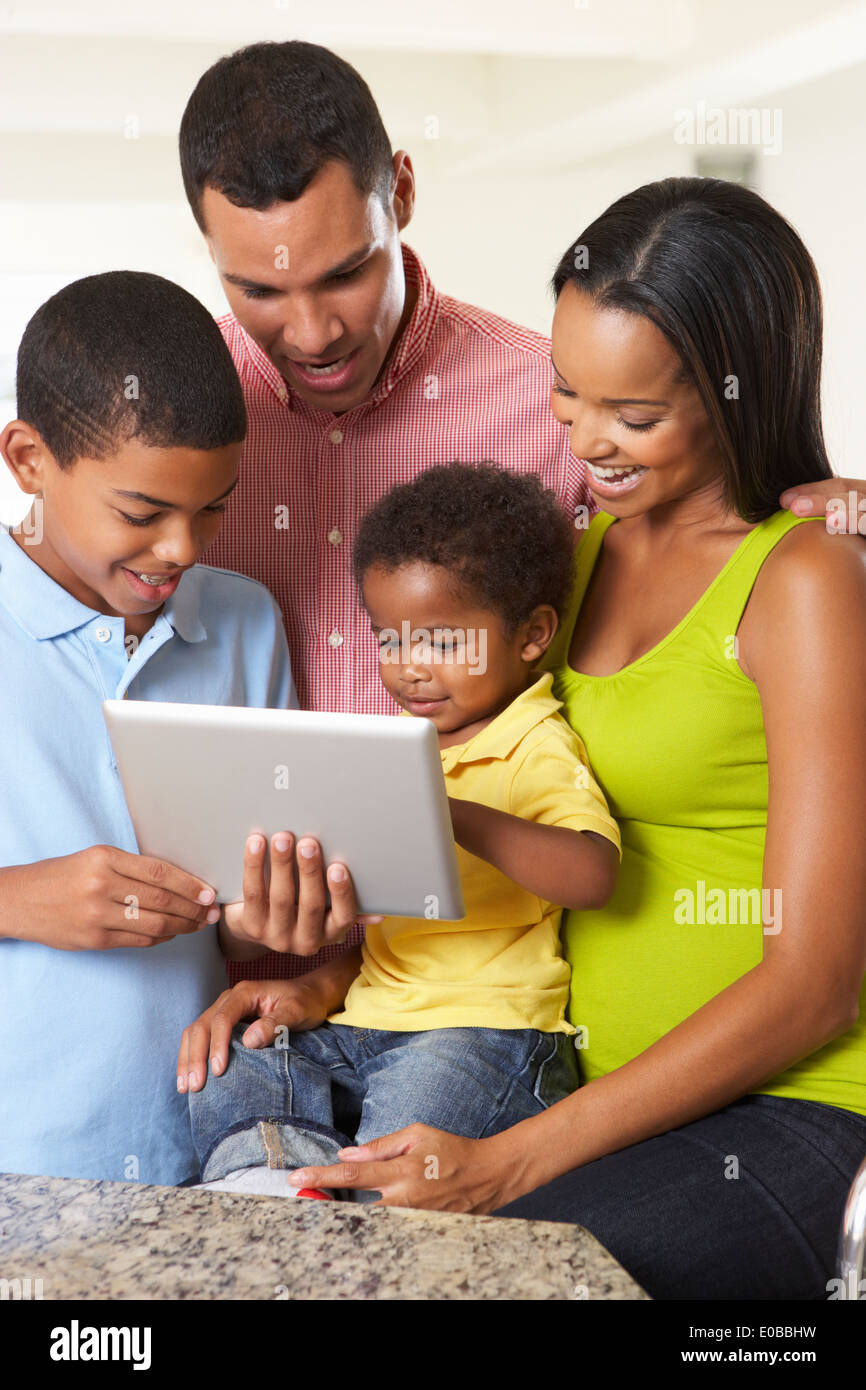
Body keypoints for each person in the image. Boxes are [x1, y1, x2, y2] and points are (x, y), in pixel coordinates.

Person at [185, 179, 866, 1301]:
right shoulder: (571, 555)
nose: (588, 441)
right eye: (564, 393)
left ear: (741, 393)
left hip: (778, 1112)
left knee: (466, 1279)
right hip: (559, 1078)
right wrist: (322, 984)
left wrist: (510, 1162)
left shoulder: (801, 580)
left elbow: (812, 984)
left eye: (633, 416)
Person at [177, 39, 589, 983]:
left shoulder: (553, 399)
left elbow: (708, 544)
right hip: (235, 989)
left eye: (345, 273)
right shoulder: (180, 413)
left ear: (400, 191)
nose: (313, 335)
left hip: (476, 987)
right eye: (258, 292)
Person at [0, 271, 365, 1185]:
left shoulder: (243, 621)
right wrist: (15, 899)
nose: (183, 549)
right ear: (27, 460)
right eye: (141, 512)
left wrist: (279, 914)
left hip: (201, 1153)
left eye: (213, 506)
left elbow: (249, 920)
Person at [181, 463, 621, 1197]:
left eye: (444, 644)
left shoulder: (533, 740)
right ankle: (274, 1187)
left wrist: (452, 813)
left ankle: (352, 1214)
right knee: (247, 1059)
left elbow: (594, 873)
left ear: (532, 635)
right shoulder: (399, 746)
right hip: (368, 1019)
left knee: (405, 1146)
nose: (410, 670)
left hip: (486, 1033)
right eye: (389, 641)